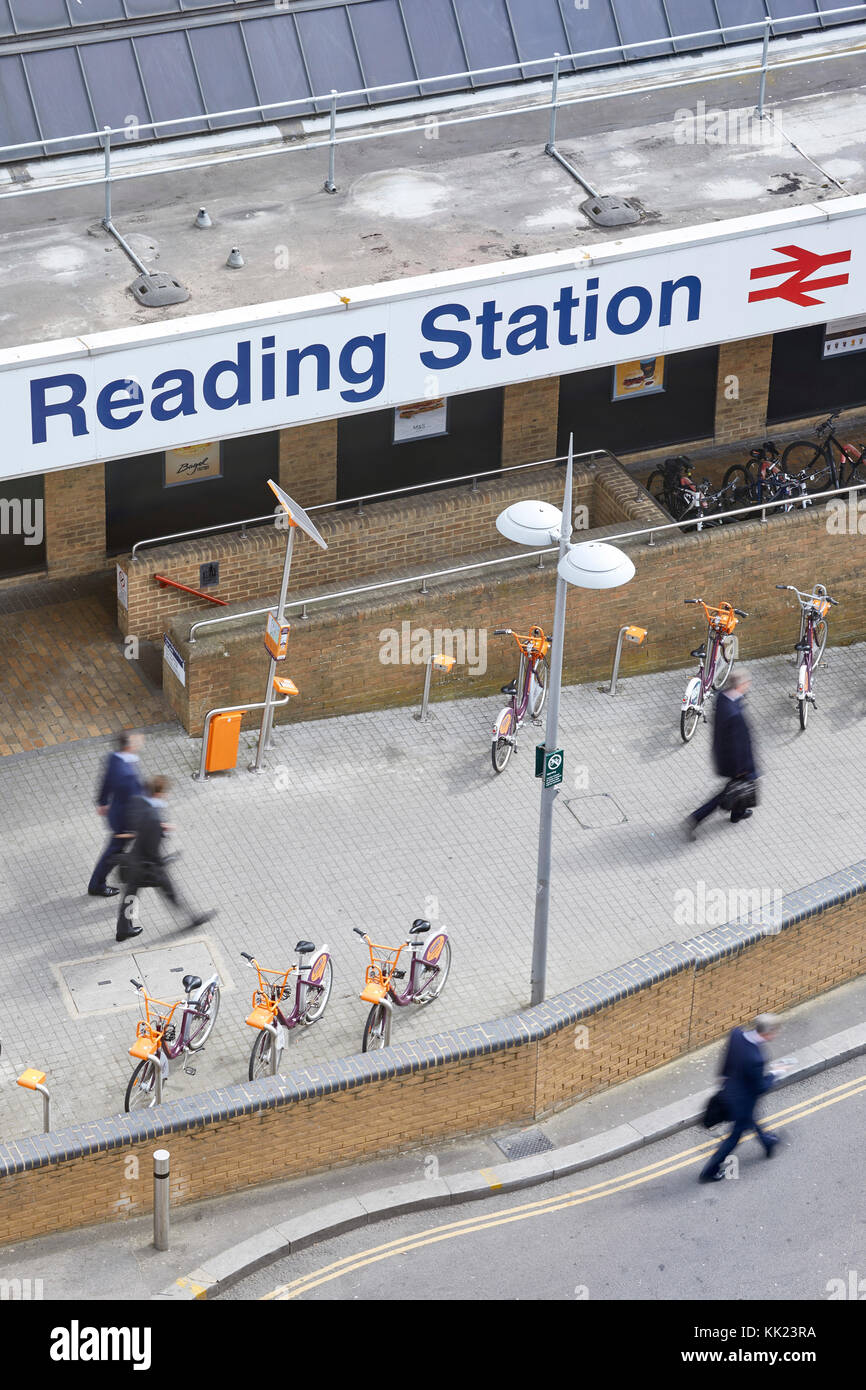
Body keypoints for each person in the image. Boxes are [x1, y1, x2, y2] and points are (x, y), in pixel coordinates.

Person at [116, 775, 215, 942]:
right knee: (170, 892)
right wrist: (165, 860)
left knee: (130, 896)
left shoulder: (140, 803)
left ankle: (123, 929)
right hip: (149, 867)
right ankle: (193, 918)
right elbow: (152, 850)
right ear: (159, 793)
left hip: (135, 861)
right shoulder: (153, 818)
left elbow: (135, 825)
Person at [699, 1014, 781, 1182]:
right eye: (775, 1032)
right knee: (734, 1138)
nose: (775, 1035)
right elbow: (760, 1088)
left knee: (751, 1120)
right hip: (741, 1103)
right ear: (768, 1033)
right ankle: (709, 1172)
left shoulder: (736, 1035)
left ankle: (767, 1142)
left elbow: (727, 1057)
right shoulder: (756, 1058)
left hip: (729, 1090)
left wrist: (722, 1076)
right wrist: (775, 1074)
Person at [687, 668, 757, 839]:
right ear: (740, 685)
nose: (748, 686)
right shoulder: (734, 714)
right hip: (736, 762)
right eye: (746, 684)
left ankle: (737, 814)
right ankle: (696, 818)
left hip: (725, 754)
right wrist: (742, 768)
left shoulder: (724, 698)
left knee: (739, 788)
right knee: (728, 793)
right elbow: (738, 744)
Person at [88, 731, 145, 897]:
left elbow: (106, 781)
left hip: (117, 812)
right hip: (125, 821)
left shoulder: (114, 758)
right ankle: (97, 885)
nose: (141, 741)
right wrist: (134, 828)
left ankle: (101, 880)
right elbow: (134, 803)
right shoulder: (128, 775)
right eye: (137, 740)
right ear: (129, 746)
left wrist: (102, 801)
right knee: (113, 852)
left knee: (114, 850)